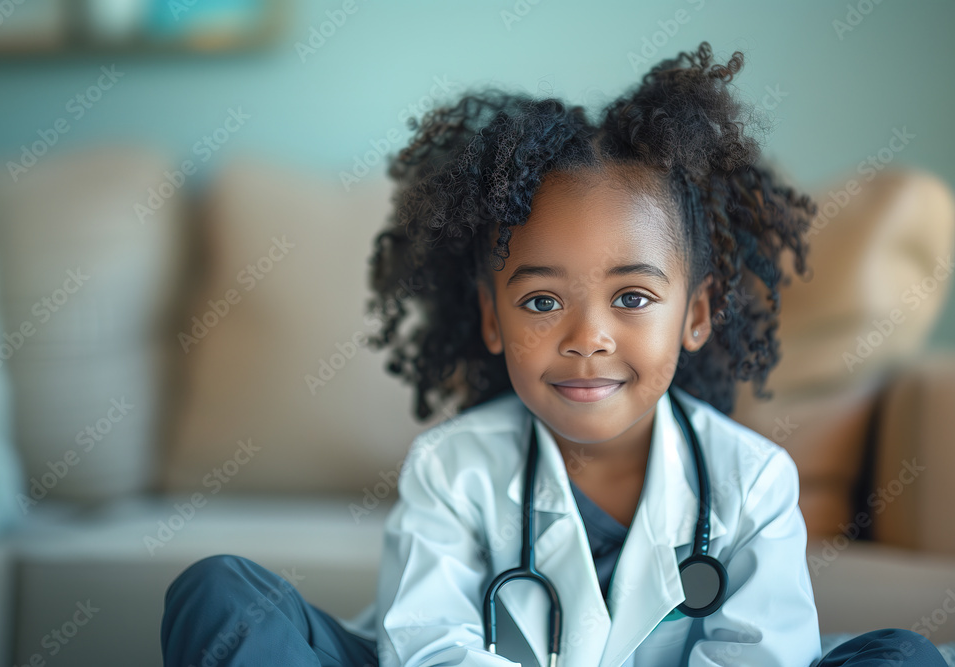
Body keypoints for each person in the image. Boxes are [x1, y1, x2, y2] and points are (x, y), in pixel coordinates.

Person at [160, 42, 948, 667]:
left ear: (697, 314)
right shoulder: (453, 468)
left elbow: (761, 654)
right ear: (492, 320)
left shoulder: (752, 484)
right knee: (222, 596)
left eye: (632, 297)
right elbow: (428, 647)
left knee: (907, 658)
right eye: (542, 300)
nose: (587, 335)